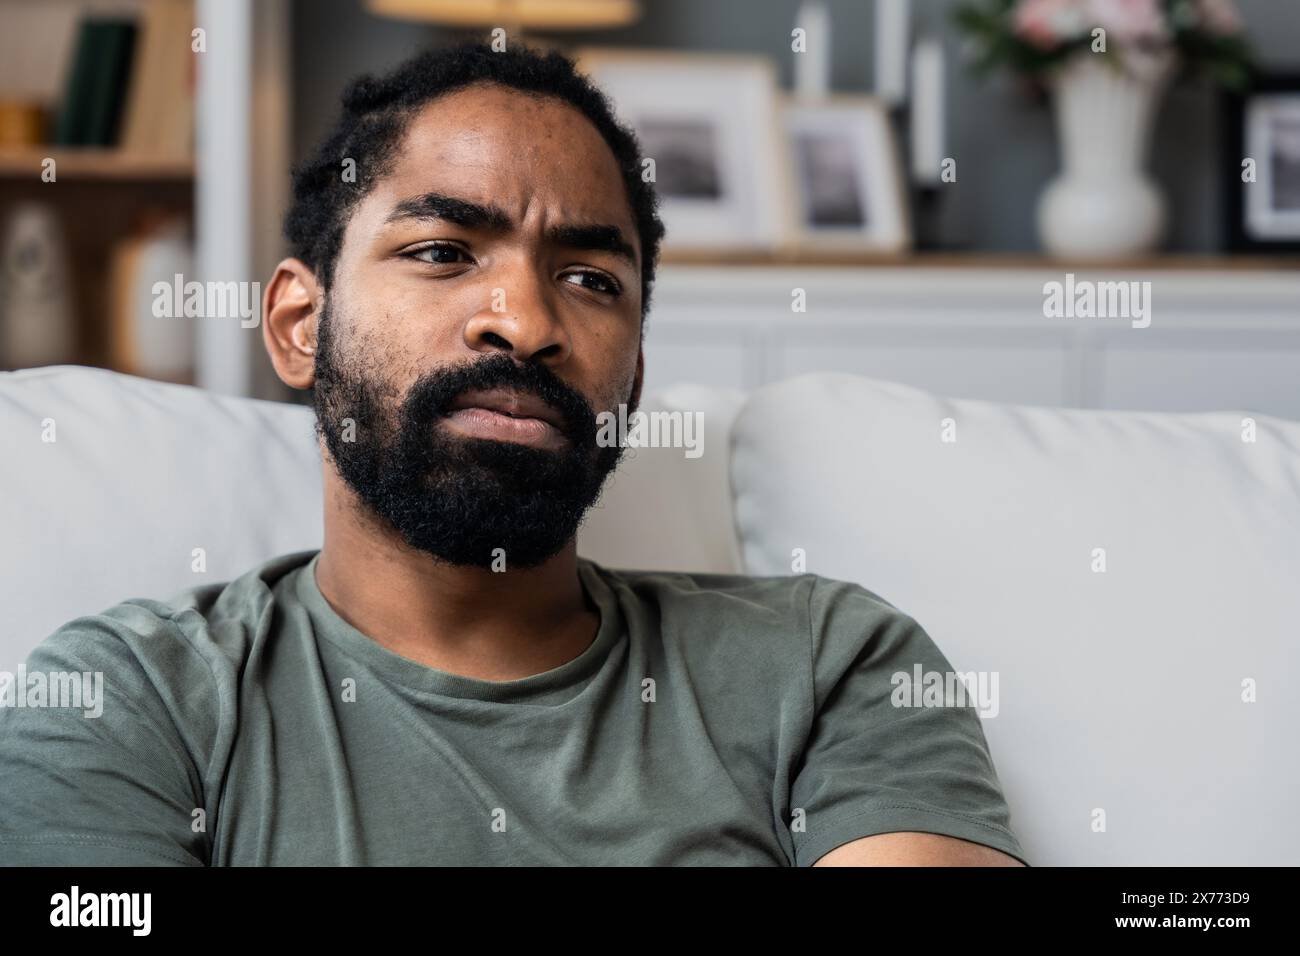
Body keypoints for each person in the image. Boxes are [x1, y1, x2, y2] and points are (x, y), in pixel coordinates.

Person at [0, 41, 1026, 866]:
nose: (525, 320)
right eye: (443, 252)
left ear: (631, 374)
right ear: (299, 323)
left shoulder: (828, 662)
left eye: (590, 278)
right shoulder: (128, 700)